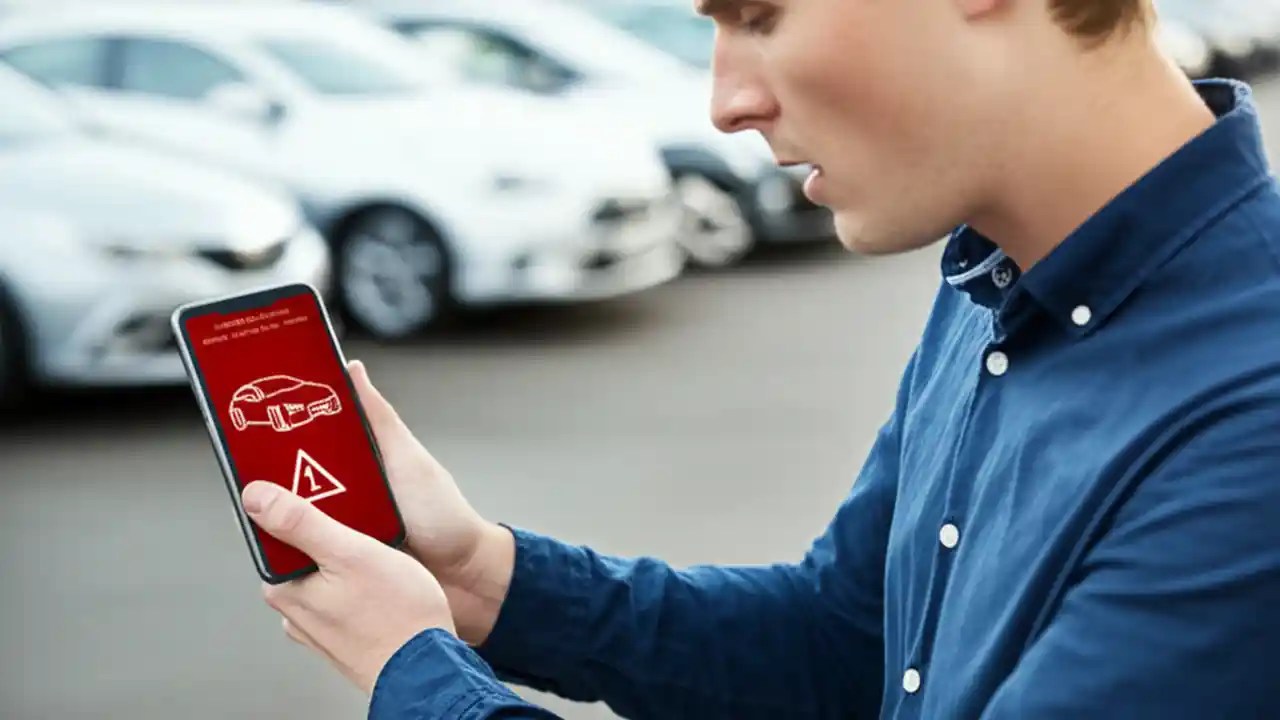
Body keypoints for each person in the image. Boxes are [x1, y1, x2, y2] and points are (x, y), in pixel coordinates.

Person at [236, 0, 1280, 716]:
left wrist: (421, 682)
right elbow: (845, 646)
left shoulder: (1253, 414)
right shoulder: (997, 278)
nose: (725, 102)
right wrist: (484, 579)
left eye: (760, 16)